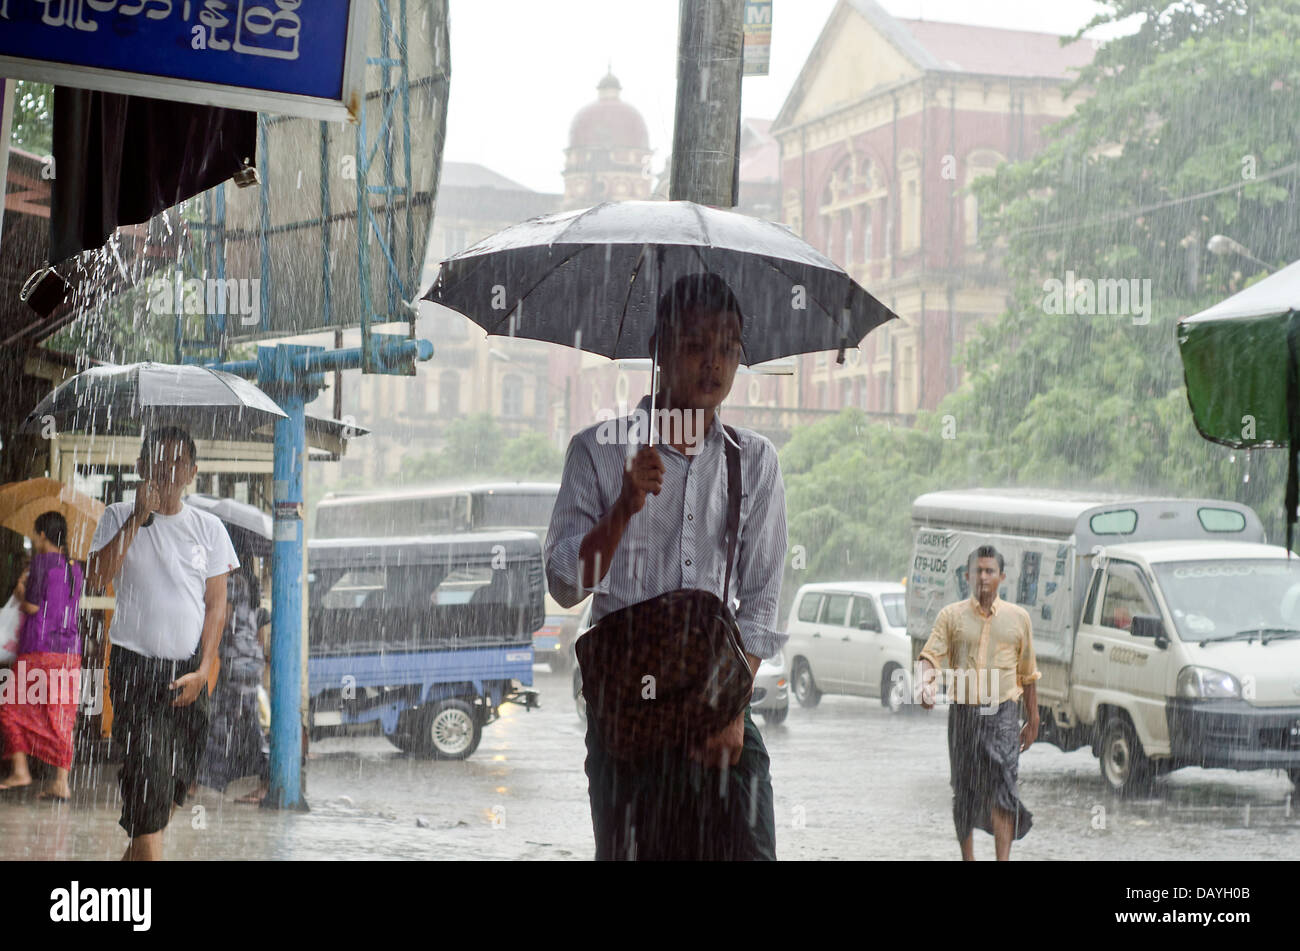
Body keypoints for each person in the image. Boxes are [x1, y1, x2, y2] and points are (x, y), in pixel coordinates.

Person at [545, 273, 788, 861]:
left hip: (717, 705)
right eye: (697, 344)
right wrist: (624, 507)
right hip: (626, 712)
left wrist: (731, 712)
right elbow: (564, 586)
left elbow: (759, 603)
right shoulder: (598, 450)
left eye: (729, 347)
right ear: (660, 350)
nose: (714, 362)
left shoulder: (753, 463)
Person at [86, 426, 238, 861]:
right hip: (137, 673)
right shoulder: (117, 515)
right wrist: (137, 517)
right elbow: (96, 578)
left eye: (177, 462)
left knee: (167, 797)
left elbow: (216, 607)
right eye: (158, 460)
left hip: (189, 673)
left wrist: (204, 668)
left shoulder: (209, 529)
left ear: (192, 472)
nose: (167, 471)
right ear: (139, 468)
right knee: (149, 792)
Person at [919, 544, 1040, 861]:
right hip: (964, 714)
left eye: (990, 571)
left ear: (1001, 576)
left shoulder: (1018, 619)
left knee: (1003, 789)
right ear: (967, 576)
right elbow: (930, 655)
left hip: (1003, 714)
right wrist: (926, 684)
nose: (983, 577)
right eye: (978, 571)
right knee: (964, 792)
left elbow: (1028, 673)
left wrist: (1033, 718)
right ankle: (968, 858)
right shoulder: (951, 616)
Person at [0, 512, 85, 799]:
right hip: (70, 653)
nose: (34, 540)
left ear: (43, 535)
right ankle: (62, 782)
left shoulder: (41, 563)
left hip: (39, 649)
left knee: (10, 708)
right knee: (62, 715)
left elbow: (34, 608)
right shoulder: (75, 568)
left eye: (35, 535)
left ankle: (21, 771)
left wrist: (21, 592)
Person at [196, 542, 269, 802]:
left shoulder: (232, 583)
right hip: (248, 661)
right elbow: (259, 631)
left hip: (235, 664)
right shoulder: (251, 584)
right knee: (239, 722)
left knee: (219, 721)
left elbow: (221, 618)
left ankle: (205, 783)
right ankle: (209, 782)